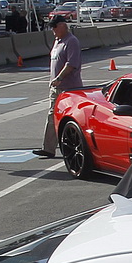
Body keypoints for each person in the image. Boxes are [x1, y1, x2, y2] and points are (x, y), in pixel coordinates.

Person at [34, 17, 87, 158]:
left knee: (71, 118)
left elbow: (71, 64)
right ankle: (48, 148)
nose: (53, 30)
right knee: (52, 116)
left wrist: (59, 78)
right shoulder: (57, 41)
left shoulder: (71, 41)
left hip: (69, 88)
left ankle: (76, 145)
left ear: (63, 25)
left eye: (55, 27)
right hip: (56, 88)